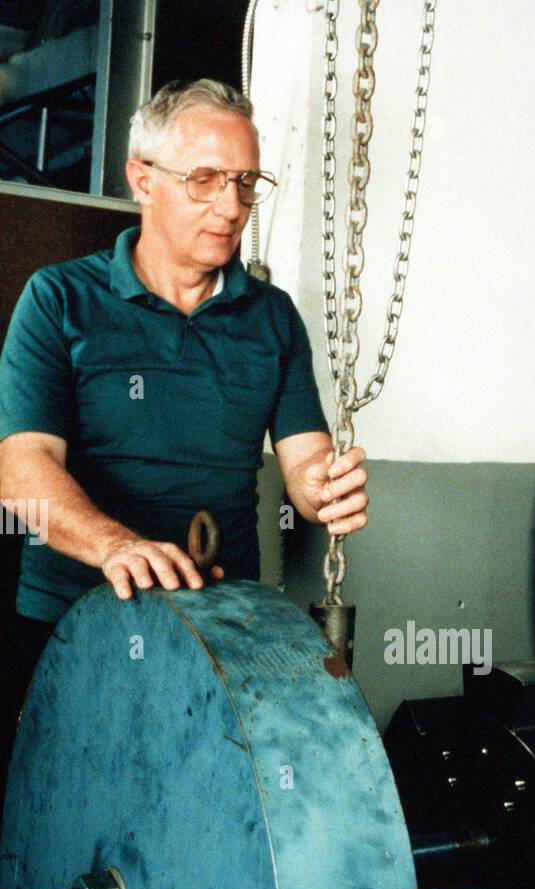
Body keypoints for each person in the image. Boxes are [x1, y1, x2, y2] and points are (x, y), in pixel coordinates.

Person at [0, 77, 368, 812]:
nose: (229, 207)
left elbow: (303, 461)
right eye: (203, 180)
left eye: (243, 183)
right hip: (71, 630)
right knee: (56, 832)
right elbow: (20, 473)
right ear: (142, 179)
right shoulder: (59, 300)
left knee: (196, 830)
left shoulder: (272, 319)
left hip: (220, 633)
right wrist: (114, 546)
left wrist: (327, 487)